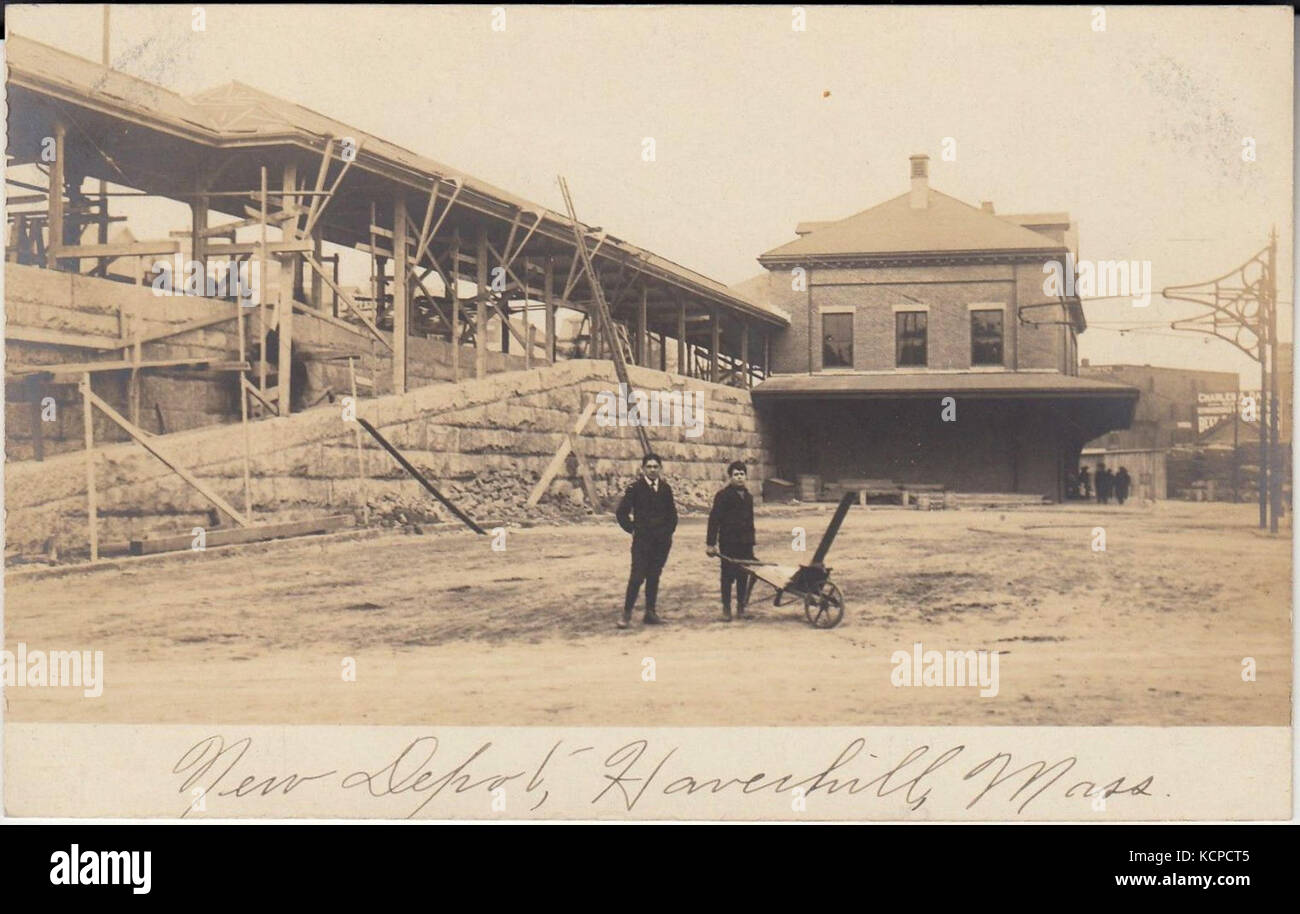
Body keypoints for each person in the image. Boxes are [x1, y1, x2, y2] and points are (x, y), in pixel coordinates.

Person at [615, 453, 677, 628]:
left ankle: (650, 612)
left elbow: (673, 515)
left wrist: (668, 533)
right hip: (642, 542)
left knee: (654, 576)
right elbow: (621, 513)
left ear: (660, 469)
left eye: (655, 466)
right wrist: (633, 529)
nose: (652, 470)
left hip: (662, 542)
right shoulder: (635, 489)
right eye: (648, 467)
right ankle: (626, 614)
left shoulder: (666, 489)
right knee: (636, 577)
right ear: (643, 469)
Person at [706, 460, 757, 622]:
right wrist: (710, 543)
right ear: (730, 477)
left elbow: (750, 522)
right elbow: (714, 520)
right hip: (729, 543)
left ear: (746, 476)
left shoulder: (748, 497)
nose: (739, 477)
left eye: (742, 474)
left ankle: (741, 608)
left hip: (745, 544)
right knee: (727, 576)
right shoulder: (722, 496)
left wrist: (751, 542)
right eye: (736, 474)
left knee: (743, 575)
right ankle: (726, 609)